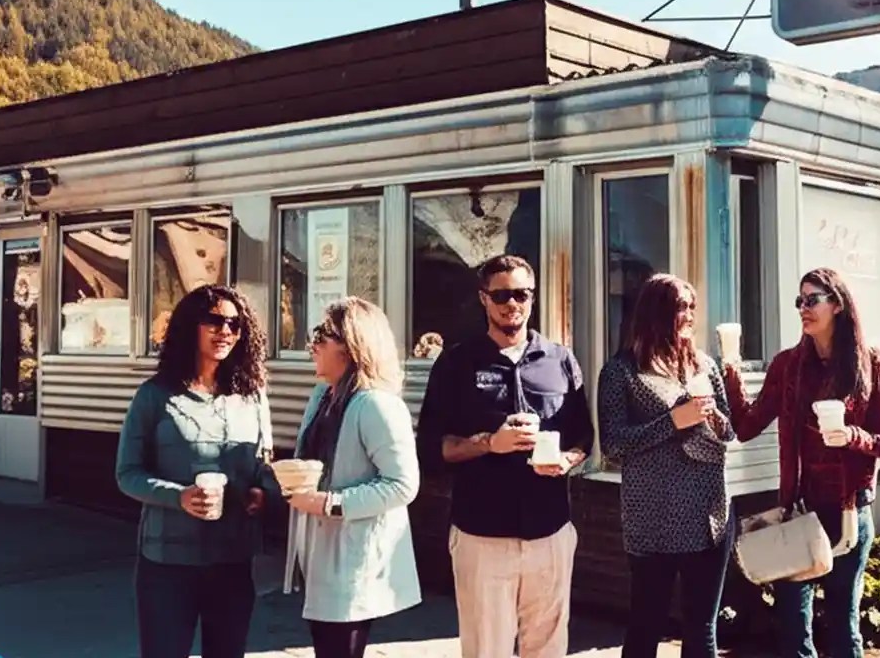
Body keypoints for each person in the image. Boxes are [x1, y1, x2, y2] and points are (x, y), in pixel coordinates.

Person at [723, 267, 880, 658]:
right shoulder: (789, 365)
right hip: (798, 510)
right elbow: (745, 427)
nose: (803, 309)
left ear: (838, 305)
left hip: (847, 511)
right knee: (793, 627)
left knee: (843, 624)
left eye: (813, 300)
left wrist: (854, 437)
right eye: (799, 301)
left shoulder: (870, 364)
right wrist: (731, 369)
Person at [416, 254, 594, 658]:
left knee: (548, 648)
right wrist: (487, 444)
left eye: (521, 294)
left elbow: (584, 438)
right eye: (501, 295)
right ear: (483, 299)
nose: (512, 304)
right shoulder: (457, 362)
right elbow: (431, 448)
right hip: (482, 535)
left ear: (532, 298)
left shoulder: (560, 360)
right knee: (486, 651)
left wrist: (566, 460)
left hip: (550, 532)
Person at [115, 284, 274, 658]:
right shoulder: (154, 396)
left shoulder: (251, 397)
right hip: (168, 563)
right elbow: (127, 473)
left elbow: (263, 465)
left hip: (232, 559)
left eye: (235, 325)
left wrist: (261, 492)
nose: (225, 332)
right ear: (191, 326)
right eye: (214, 321)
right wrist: (178, 496)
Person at [596, 273, 736, 658]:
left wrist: (713, 419)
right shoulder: (621, 370)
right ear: (656, 311)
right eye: (680, 306)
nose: (690, 314)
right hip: (654, 517)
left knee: (702, 627)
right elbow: (613, 445)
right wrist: (672, 421)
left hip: (711, 514)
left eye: (692, 306)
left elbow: (729, 431)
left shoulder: (704, 365)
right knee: (646, 624)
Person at [283, 297, 422, 658]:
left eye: (322, 336)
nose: (311, 345)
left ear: (351, 345)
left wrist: (332, 503)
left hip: (354, 562)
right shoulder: (322, 396)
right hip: (319, 554)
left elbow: (403, 484)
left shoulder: (376, 404)